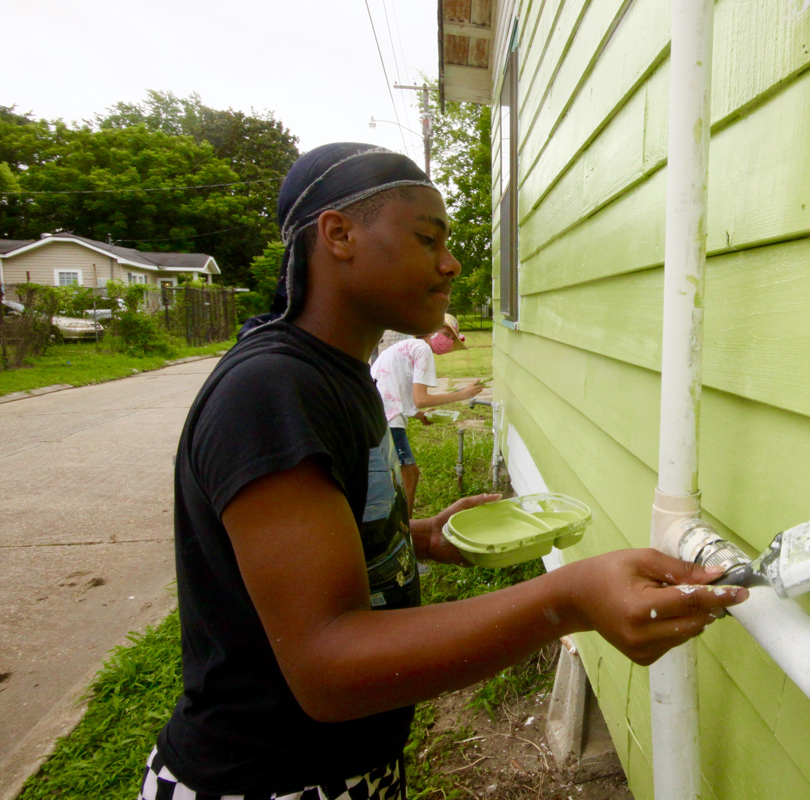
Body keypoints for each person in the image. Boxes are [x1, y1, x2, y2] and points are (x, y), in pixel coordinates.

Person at [142, 143, 746, 800]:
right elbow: (326, 662)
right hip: (260, 783)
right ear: (338, 235)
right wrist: (565, 600)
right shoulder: (270, 391)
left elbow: (330, 546)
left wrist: (423, 537)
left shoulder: (337, 376)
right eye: (427, 238)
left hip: (345, 769)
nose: (451, 262)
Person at [371, 314, 482, 514]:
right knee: (409, 474)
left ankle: (393, 519)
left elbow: (398, 390)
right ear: (431, 330)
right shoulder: (422, 349)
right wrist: (461, 394)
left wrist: (419, 415)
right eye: (446, 333)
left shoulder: (409, 347)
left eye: (451, 337)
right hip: (385, 416)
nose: (448, 340)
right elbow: (420, 399)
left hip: (376, 411)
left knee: (390, 474)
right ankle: (407, 528)